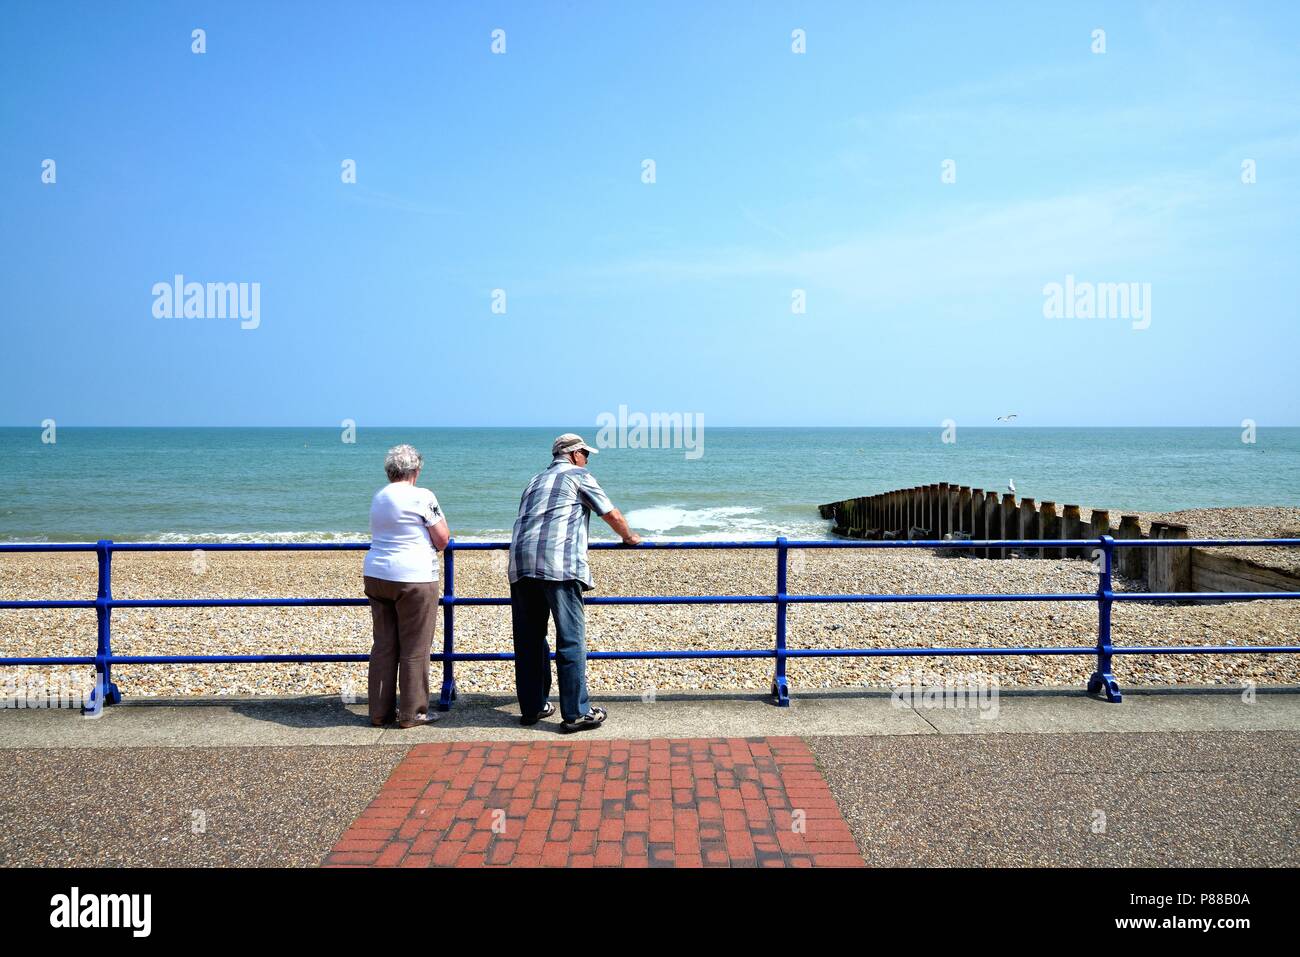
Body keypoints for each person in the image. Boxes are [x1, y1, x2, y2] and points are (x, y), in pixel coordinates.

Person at [508, 433, 641, 732]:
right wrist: (629, 538)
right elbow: (610, 512)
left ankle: (532, 708)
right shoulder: (579, 476)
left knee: (529, 641)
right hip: (560, 565)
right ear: (574, 454)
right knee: (570, 638)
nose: (587, 459)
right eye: (586, 454)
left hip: (521, 564)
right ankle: (576, 712)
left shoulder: (534, 480)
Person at [362, 444, 450, 728]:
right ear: (416, 470)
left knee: (384, 646)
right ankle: (413, 712)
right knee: (415, 647)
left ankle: (379, 712)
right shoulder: (422, 496)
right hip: (414, 577)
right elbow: (442, 538)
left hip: (376, 575)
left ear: (390, 471)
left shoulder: (379, 496)